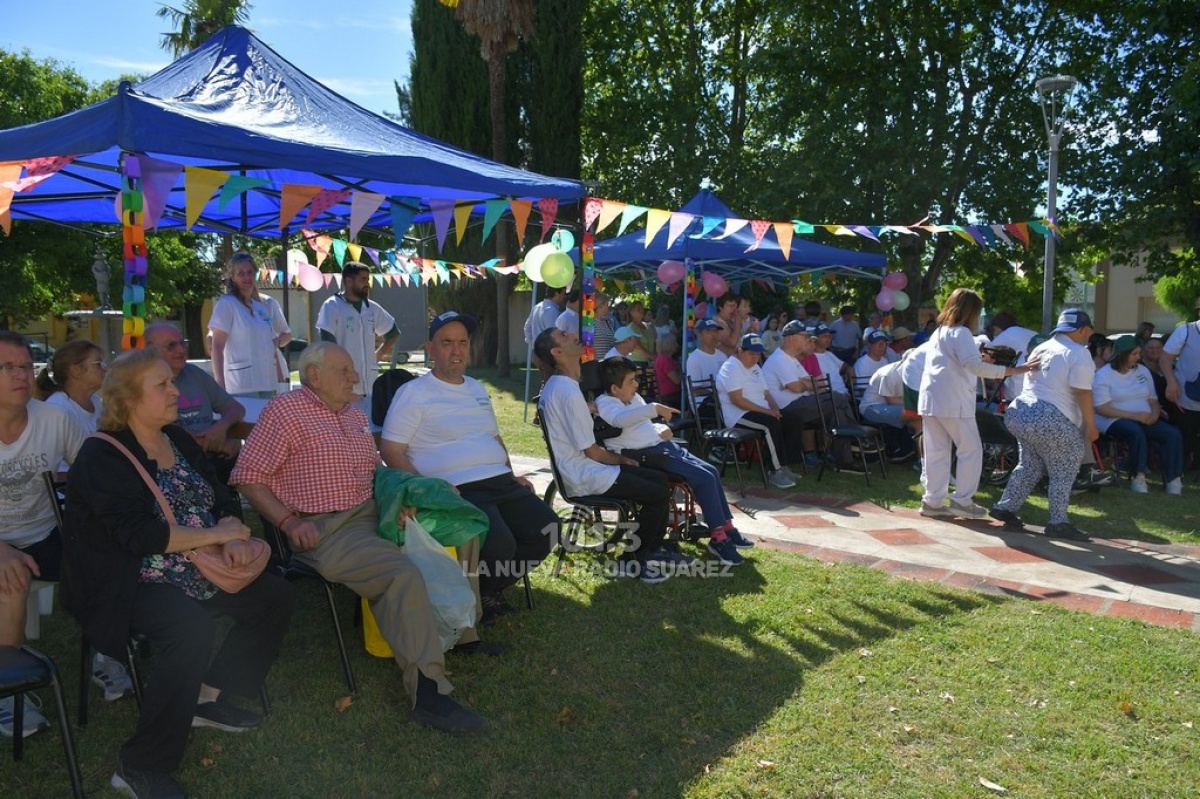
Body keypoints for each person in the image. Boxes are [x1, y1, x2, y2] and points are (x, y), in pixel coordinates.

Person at [64, 348, 295, 797]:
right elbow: (139, 537)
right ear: (129, 399)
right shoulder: (102, 456)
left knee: (275, 597)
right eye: (163, 385)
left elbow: (220, 498)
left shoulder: (180, 440)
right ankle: (139, 766)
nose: (176, 391)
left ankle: (208, 697)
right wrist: (214, 536)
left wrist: (228, 536)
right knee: (188, 627)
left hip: (195, 566)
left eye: (172, 382)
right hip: (132, 580)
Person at [232, 342, 491, 736]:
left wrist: (398, 504)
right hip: (328, 529)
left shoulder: (352, 415)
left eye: (352, 369)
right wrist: (287, 522)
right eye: (344, 370)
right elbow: (248, 476)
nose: (354, 377)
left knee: (464, 526)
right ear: (313, 375)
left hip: (373, 514)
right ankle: (428, 693)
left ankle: (466, 633)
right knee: (400, 574)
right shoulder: (286, 411)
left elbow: (374, 474)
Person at [381, 311, 556, 620]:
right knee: (501, 544)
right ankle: (479, 597)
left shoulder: (476, 388)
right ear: (431, 348)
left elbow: (493, 437)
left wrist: (512, 474)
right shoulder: (414, 394)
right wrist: (427, 489)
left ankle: (489, 588)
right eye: (447, 343)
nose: (457, 350)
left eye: (462, 342)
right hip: (456, 489)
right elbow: (391, 450)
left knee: (549, 528)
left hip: (500, 482)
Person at [534, 328, 673, 583]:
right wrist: (623, 460)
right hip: (584, 474)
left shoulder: (562, 386)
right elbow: (593, 451)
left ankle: (649, 550)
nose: (572, 334)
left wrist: (586, 408)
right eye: (564, 336)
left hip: (587, 467)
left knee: (659, 480)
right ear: (557, 352)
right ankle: (631, 560)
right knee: (657, 492)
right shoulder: (566, 390)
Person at [0, 332, 87, 738]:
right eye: (8, 368)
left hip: (46, 533)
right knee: (11, 578)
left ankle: (108, 656)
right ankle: (9, 694)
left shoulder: (53, 418)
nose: (21, 375)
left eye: (25, 366)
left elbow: (92, 470)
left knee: (102, 563)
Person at [595, 357, 750, 565]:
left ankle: (727, 527)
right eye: (631, 381)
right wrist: (654, 408)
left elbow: (644, 425)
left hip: (661, 446)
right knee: (703, 478)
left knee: (711, 471)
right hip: (646, 455)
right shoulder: (606, 403)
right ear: (614, 388)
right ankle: (717, 536)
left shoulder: (633, 399)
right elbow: (621, 420)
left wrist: (659, 428)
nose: (636, 385)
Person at [919, 288, 1039, 519]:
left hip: (932, 399)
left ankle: (932, 501)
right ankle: (962, 501)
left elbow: (962, 363)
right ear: (971, 311)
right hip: (954, 401)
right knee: (971, 450)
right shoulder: (961, 333)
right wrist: (1016, 369)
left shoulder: (940, 332)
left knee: (937, 451)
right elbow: (975, 367)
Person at [989, 309, 1101, 540]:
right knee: (1064, 468)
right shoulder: (1079, 353)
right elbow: (1082, 392)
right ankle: (1058, 522)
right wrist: (1091, 425)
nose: (1090, 335)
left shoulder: (1042, 347)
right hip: (1051, 416)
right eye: (1089, 330)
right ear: (1081, 329)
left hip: (1020, 412)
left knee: (1029, 465)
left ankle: (1005, 507)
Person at [145, 323, 246, 490]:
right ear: (149, 349)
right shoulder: (145, 382)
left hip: (215, 455)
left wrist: (222, 427)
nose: (181, 350)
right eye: (171, 345)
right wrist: (218, 443)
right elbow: (164, 430)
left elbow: (236, 409)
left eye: (182, 343)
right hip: (179, 464)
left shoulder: (194, 373)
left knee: (265, 474)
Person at [1095, 336, 1184, 494]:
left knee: (1172, 434)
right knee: (1135, 433)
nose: (1139, 357)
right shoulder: (1104, 374)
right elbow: (1102, 408)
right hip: (1114, 419)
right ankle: (1138, 477)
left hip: (1144, 417)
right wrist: (1134, 416)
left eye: (1139, 353)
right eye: (1135, 353)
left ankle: (1173, 478)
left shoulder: (1142, 370)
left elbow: (1153, 399)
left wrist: (1155, 415)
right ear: (1123, 354)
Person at [762, 322, 856, 470]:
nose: (807, 340)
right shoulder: (779, 358)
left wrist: (801, 383)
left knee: (837, 411)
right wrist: (801, 384)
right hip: (788, 409)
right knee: (838, 398)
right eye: (804, 336)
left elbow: (815, 383)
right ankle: (857, 435)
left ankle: (844, 461)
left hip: (802, 403)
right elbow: (798, 387)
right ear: (791, 338)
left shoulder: (792, 359)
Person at [716, 333, 797, 489]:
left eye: (758, 354)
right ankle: (774, 471)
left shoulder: (756, 367)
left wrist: (775, 408)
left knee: (792, 419)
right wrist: (768, 413)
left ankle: (785, 464)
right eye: (751, 353)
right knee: (770, 424)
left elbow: (766, 393)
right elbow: (737, 400)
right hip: (738, 415)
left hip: (760, 411)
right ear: (740, 350)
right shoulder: (731, 367)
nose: (755, 358)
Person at [208, 251, 292, 399]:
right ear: (232, 277)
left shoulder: (260, 307)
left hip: (268, 382)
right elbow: (216, 346)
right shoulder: (227, 304)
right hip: (241, 385)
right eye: (241, 273)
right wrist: (219, 383)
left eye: (250, 272)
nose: (247, 277)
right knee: (248, 422)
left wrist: (280, 380)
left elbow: (272, 346)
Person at [316, 261, 399, 401]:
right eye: (363, 279)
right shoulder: (332, 306)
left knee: (368, 422)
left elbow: (393, 333)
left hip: (370, 386)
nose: (367, 284)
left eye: (368, 279)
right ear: (348, 281)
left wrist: (379, 354)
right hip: (344, 386)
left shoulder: (372, 308)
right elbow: (328, 345)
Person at [1160, 298, 1200, 472]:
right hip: (1186, 395)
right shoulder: (1186, 331)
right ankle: (1179, 472)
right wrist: (1170, 382)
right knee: (1186, 436)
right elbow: (1165, 358)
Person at [1141, 337, 1181, 425]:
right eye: (1150, 348)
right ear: (1143, 350)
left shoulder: (1171, 367)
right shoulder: (1138, 368)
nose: (1155, 351)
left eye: (1158, 348)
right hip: (1149, 410)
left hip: (1173, 408)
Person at [653, 332, 683, 409]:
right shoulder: (665, 360)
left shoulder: (662, 358)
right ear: (669, 345)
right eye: (674, 343)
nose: (677, 345)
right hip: (671, 395)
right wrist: (681, 368)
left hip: (667, 394)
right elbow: (677, 380)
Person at [592, 292, 617, 358]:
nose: (608, 307)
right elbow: (588, 346)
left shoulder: (608, 322)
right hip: (596, 364)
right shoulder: (590, 323)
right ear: (601, 306)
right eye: (607, 304)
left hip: (608, 364)